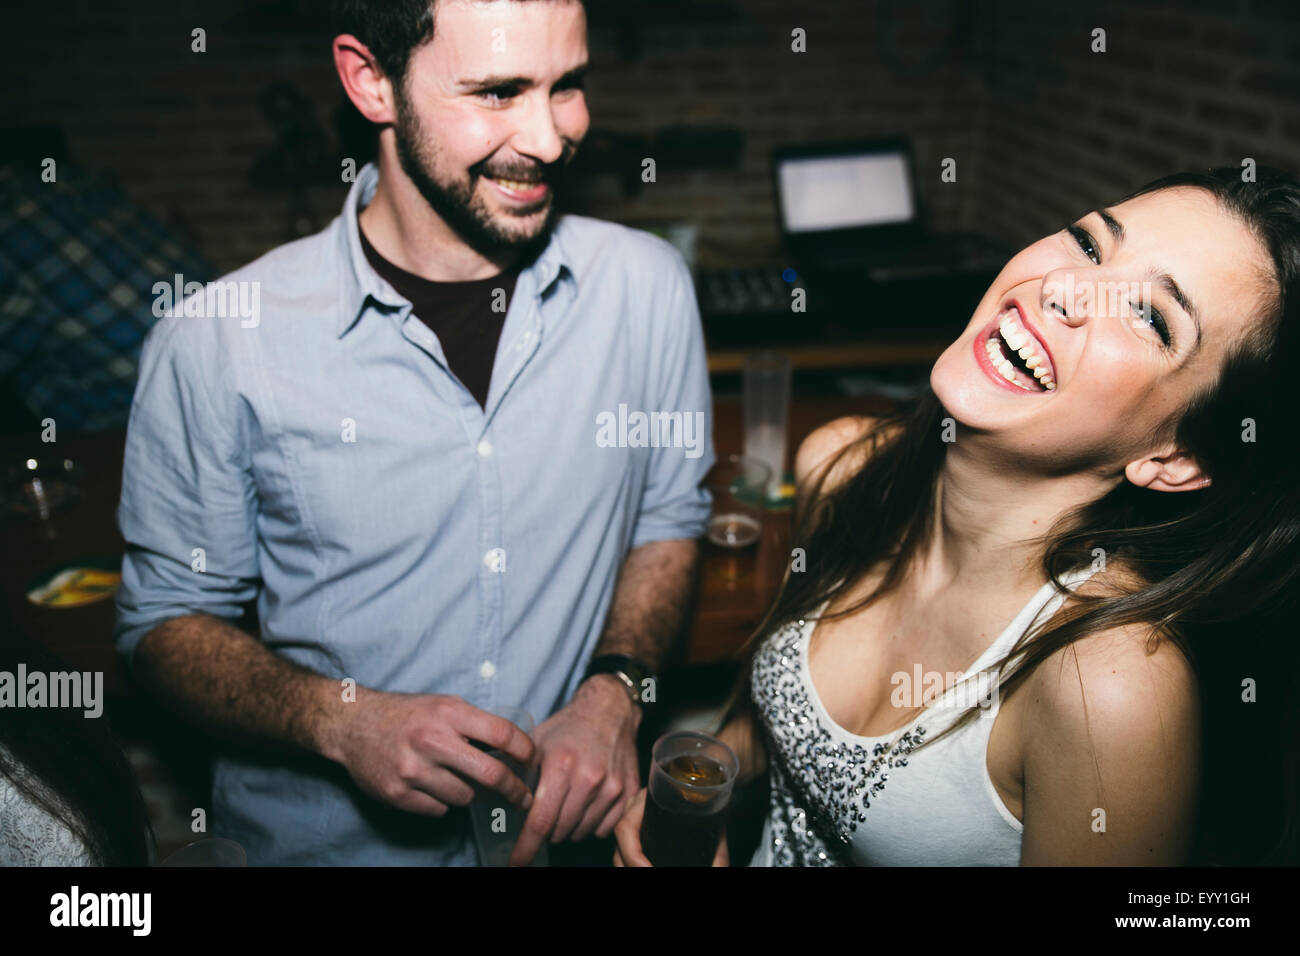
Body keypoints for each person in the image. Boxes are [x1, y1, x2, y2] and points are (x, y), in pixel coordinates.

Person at [113, 0, 714, 865]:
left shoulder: (647, 288)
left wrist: (614, 694)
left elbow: (666, 518)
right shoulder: (216, 341)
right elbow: (164, 626)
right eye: (499, 92)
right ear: (370, 81)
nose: (548, 137)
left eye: (568, 85)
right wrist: (339, 720)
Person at [615, 166, 1300, 866]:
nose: (1065, 288)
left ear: (1174, 457)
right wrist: (703, 787)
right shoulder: (841, 467)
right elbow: (772, 720)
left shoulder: (1110, 689)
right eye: (1091, 245)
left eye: (1151, 316)